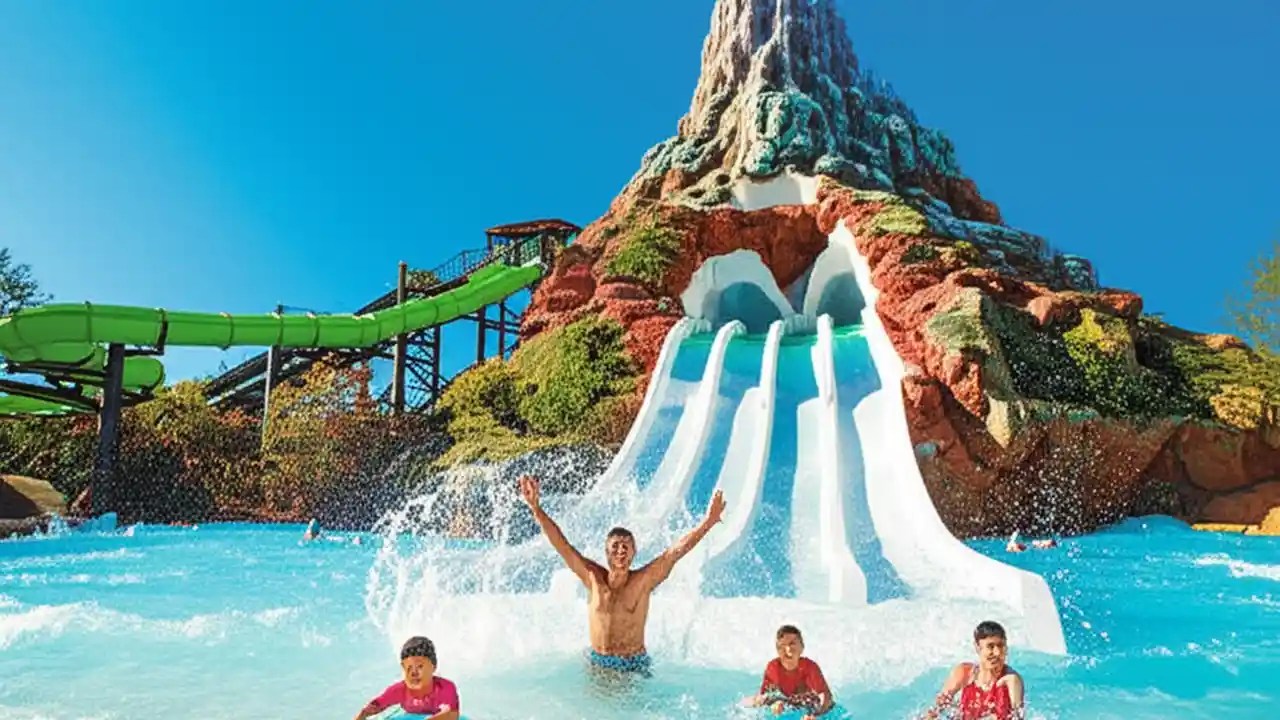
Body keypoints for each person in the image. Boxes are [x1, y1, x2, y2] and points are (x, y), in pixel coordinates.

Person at [518, 474, 725, 674]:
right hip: (599, 662)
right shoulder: (592, 577)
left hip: (633, 665)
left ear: (634, 553)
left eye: (626, 546)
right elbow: (562, 546)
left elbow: (675, 553)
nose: (621, 550)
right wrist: (536, 509)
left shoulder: (644, 581)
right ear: (606, 552)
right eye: (615, 546)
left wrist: (708, 522)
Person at [922, 621, 1024, 720]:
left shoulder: (1011, 680)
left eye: (1001, 646)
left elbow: (1017, 717)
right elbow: (936, 710)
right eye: (990, 646)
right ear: (978, 648)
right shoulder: (964, 673)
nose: (997, 653)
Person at [354, 636, 459, 720]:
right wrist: (362, 715)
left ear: (433, 667)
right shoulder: (400, 690)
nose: (414, 673)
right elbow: (374, 706)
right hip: (408, 715)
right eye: (409, 668)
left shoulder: (445, 687)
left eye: (420, 667)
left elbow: (451, 714)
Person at [744, 624, 834, 718]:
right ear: (777, 649)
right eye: (783, 645)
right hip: (787, 702)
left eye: (792, 644)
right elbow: (765, 695)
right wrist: (773, 704)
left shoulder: (810, 667)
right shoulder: (773, 667)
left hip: (809, 705)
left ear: (802, 647)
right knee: (753, 702)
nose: (788, 650)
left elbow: (826, 697)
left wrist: (815, 714)